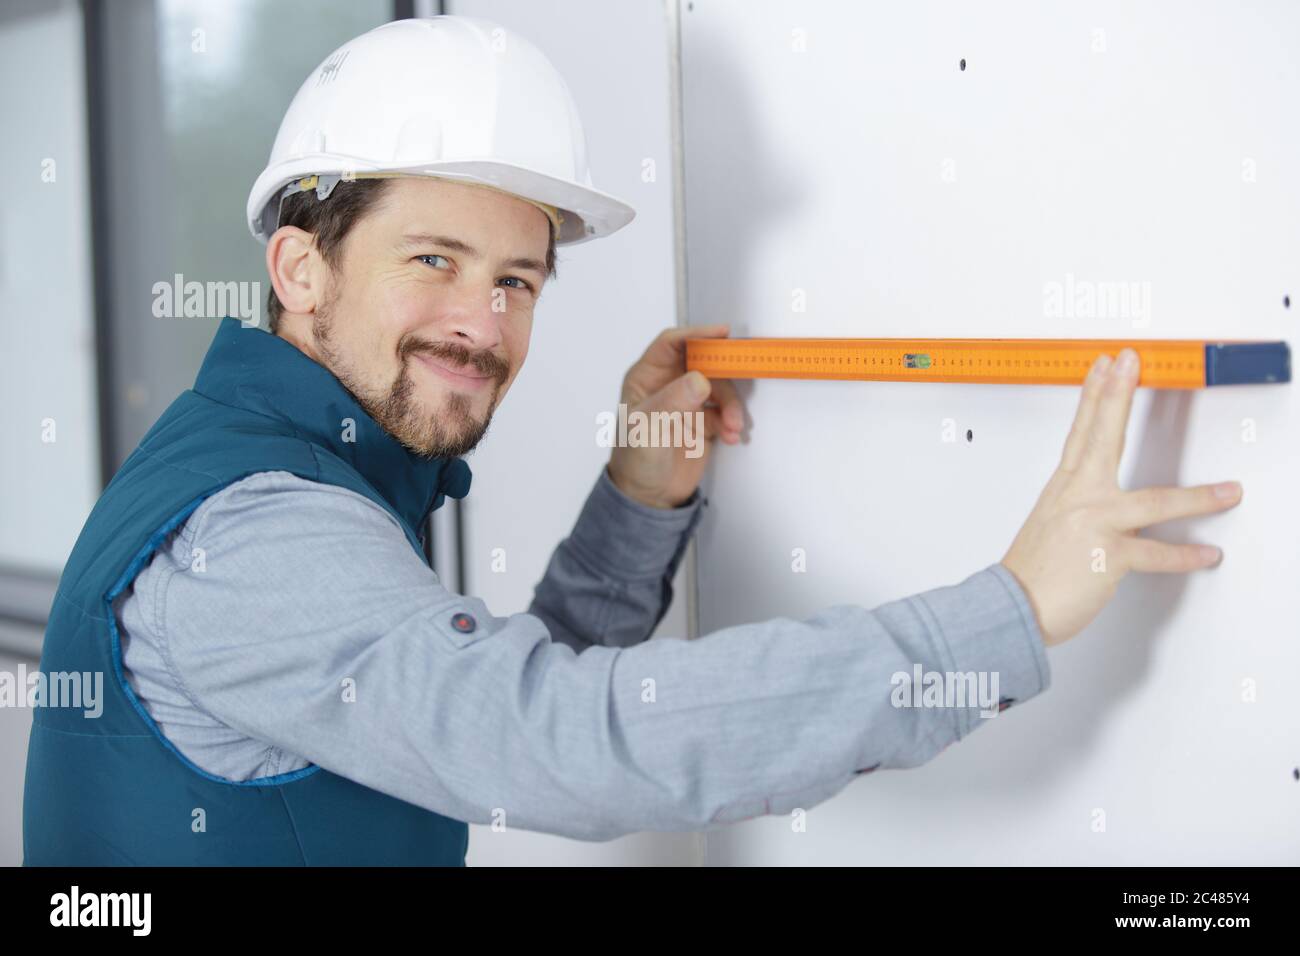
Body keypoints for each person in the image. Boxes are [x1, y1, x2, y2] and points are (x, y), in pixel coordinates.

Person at [22, 16, 1241, 865]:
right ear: (300, 265)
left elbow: (456, 707)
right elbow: (555, 742)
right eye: (433, 260)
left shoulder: (259, 456)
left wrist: (637, 497)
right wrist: (1006, 611)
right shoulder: (259, 536)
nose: (482, 321)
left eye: (517, 279)